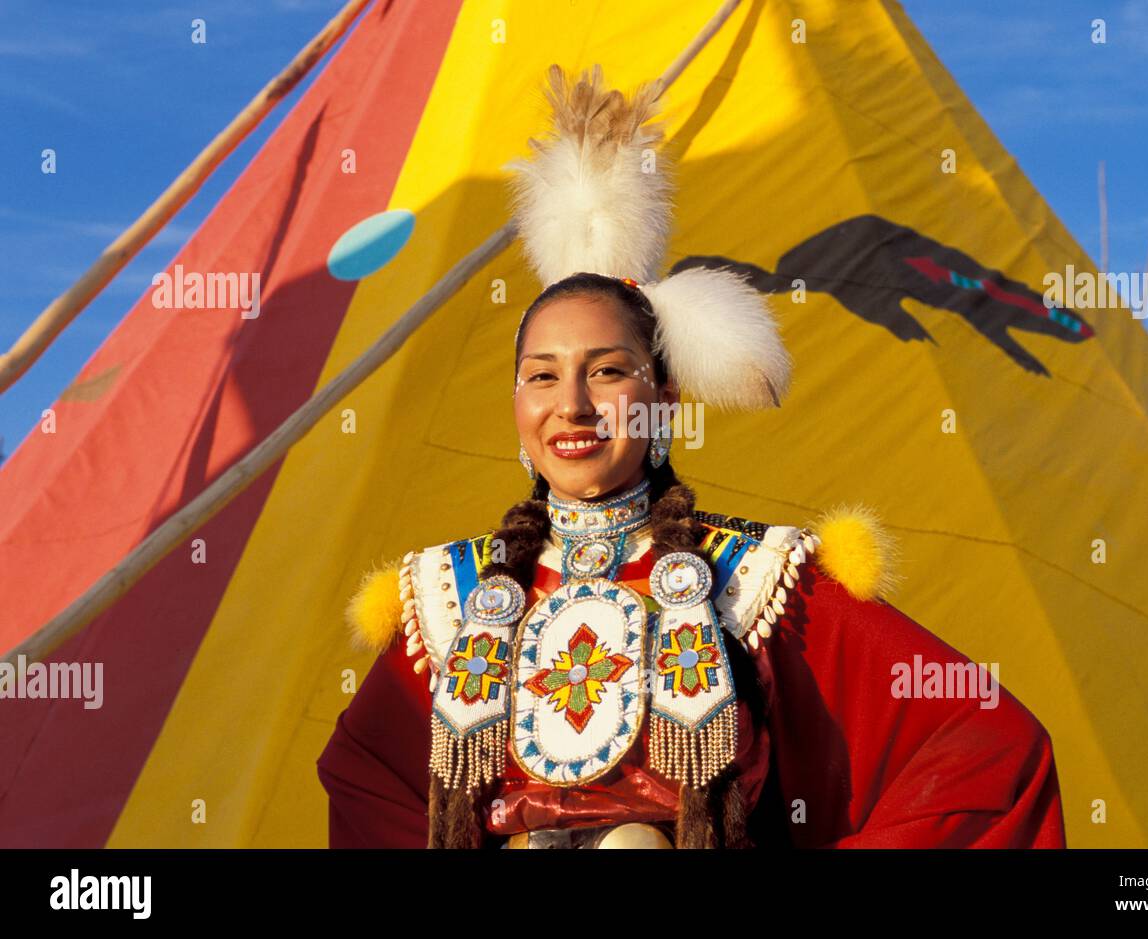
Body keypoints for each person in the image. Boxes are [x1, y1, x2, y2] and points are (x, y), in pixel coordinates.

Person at [316, 65, 1065, 849]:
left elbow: (988, 746)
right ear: (515, 405)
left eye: (606, 371)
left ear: (663, 396)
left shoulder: (757, 580)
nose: (571, 404)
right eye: (541, 375)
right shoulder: (448, 599)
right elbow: (367, 778)